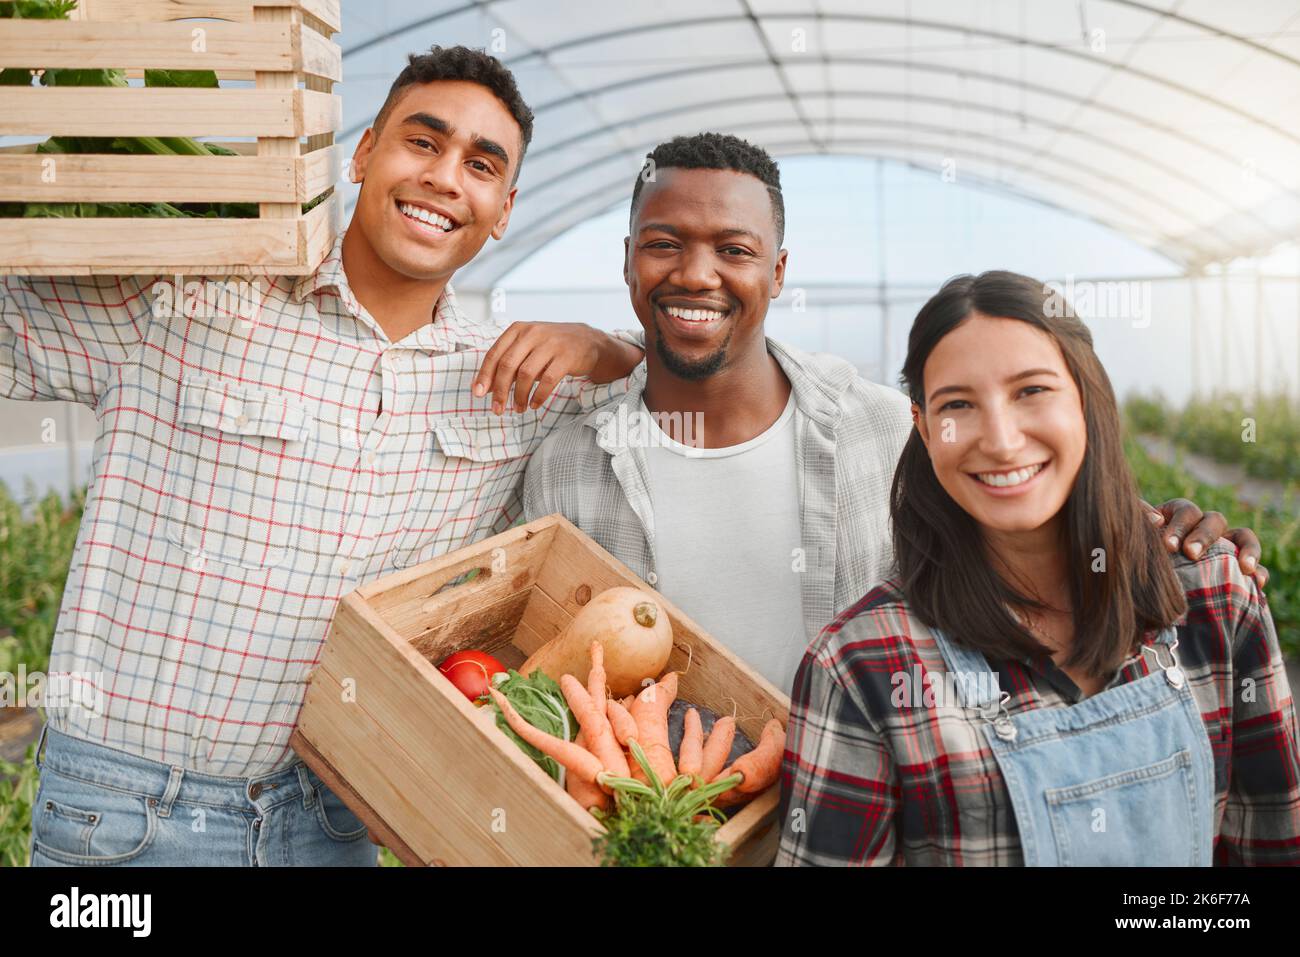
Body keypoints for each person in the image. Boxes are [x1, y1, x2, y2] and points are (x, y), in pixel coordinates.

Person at [3, 46, 644, 866]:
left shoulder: (510, 383)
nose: (447, 177)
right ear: (364, 152)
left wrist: (597, 343)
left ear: (504, 208)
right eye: (423, 142)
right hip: (127, 812)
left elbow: (682, 388)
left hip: (332, 817)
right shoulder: (184, 300)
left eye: (480, 165)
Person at [524, 132, 1267, 698]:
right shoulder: (566, 462)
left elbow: (1026, 502)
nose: (695, 273)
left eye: (733, 249)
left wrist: (1160, 533)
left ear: (778, 272)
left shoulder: (883, 429)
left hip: (871, 811)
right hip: (658, 822)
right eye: (664, 245)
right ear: (628, 261)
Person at [776, 271, 1300, 866]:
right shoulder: (864, 666)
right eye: (958, 405)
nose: (1000, 441)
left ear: (1086, 397)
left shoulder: (1215, 599)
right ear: (923, 428)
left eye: (1031, 391)